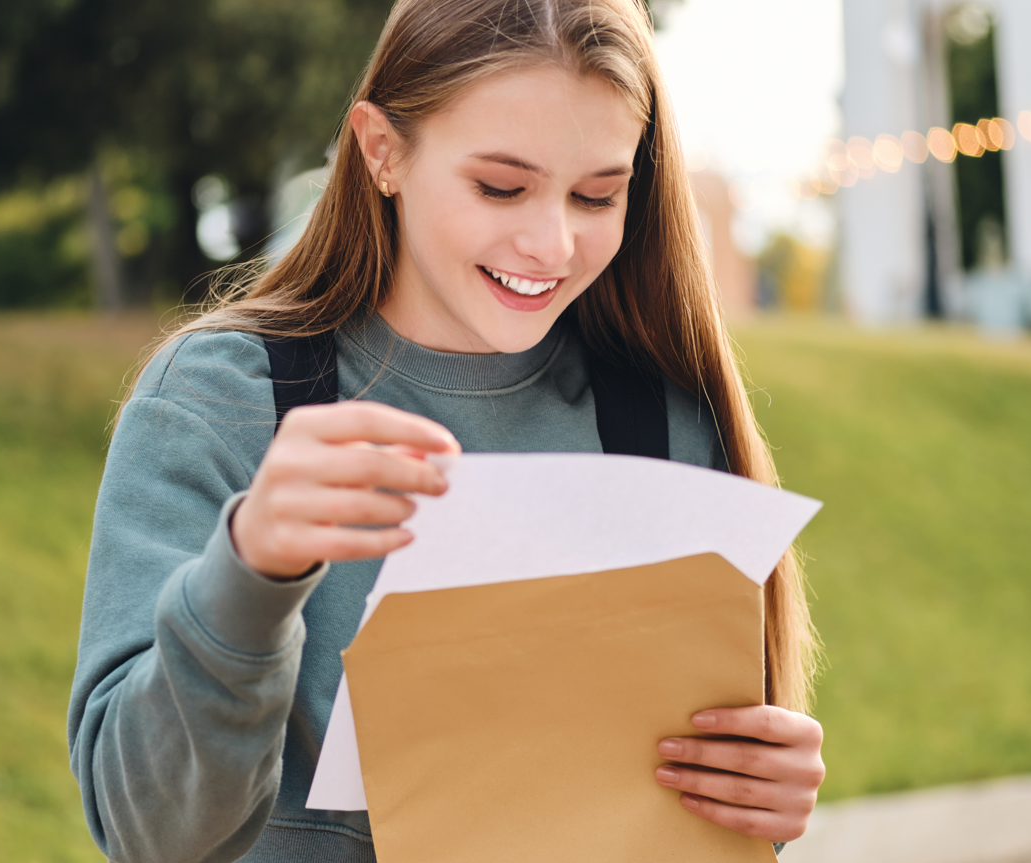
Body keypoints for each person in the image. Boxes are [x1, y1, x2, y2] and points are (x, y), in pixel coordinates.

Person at [68, 0, 825, 860]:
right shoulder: (216, 404)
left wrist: (755, 788)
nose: (551, 242)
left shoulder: (661, 419)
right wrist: (249, 570)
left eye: (596, 195)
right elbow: (151, 834)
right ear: (381, 150)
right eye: (500, 186)